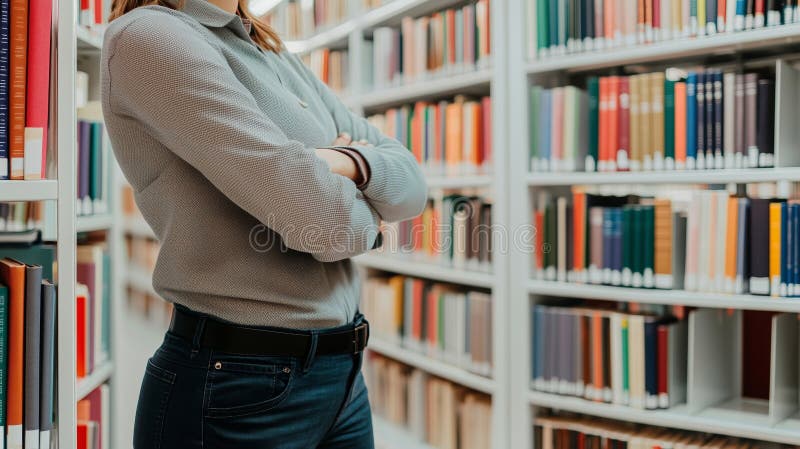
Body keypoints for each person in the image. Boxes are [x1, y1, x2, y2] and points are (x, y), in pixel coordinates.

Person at [102, 0, 427, 447]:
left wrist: (343, 162)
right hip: (238, 388)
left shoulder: (268, 46)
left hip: (344, 378)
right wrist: (369, 204)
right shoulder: (152, 36)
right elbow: (323, 223)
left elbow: (413, 185)